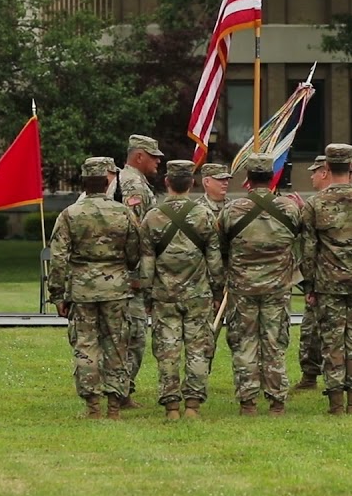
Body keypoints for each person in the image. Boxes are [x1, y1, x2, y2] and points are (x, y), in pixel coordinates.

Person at [47, 157, 145, 420]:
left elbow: (58, 257)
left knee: (86, 345)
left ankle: (93, 407)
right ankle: (114, 407)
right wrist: (123, 267)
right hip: (116, 288)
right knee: (117, 345)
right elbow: (135, 251)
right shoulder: (123, 213)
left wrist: (57, 294)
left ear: (84, 183)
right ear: (105, 182)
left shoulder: (70, 214)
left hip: (82, 290)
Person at [300, 144, 352, 415]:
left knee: (332, 343)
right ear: (351, 167)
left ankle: (336, 404)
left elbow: (308, 250)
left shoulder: (314, 204)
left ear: (326, 167)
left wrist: (310, 284)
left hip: (327, 285)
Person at [139, 160, 224, 421]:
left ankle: (172, 407)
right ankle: (193, 406)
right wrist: (217, 291)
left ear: (167, 182)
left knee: (167, 350)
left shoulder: (152, 217)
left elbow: (146, 265)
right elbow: (215, 261)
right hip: (198, 295)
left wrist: (147, 296)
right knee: (198, 349)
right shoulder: (204, 215)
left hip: (164, 296)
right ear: (192, 183)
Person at [219, 155, 302, 416]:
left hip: (242, 288)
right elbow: (300, 241)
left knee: (244, 343)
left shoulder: (232, 210)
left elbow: (221, 248)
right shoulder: (289, 209)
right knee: (274, 343)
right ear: (272, 177)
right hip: (277, 288)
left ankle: (248, 403)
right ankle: (277, 402)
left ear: (248, 179)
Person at [118, 133, 164, 408]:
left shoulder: (132, 181)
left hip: (128, 273)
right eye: (153, 157)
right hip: (131, 274)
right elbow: (134, 231)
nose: (158, 161)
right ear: (139, 156)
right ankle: (121, 392)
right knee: (134, 335)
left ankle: (119, 389)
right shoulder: (133, 185)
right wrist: (138, 275)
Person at [291, 155, 328, 392]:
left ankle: (317, 377)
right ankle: (310, 375)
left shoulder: (317, 204)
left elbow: (310, 245)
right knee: (311, 329)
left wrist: (309, 283)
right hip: (324, 277)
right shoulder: (314, 204)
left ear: (325, 173)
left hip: (324, 278)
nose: (312, 176)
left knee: (321, 330)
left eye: (315, 172)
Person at [197, 162, 233, 375]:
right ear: (206, 182)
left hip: (234, 276)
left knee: (240, 333)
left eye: (227, 179)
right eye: (220, 180)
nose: (225, 183)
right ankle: (201, 375)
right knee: (208, 332)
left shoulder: (234, 208)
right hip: (207, 278)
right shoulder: (197, 210)